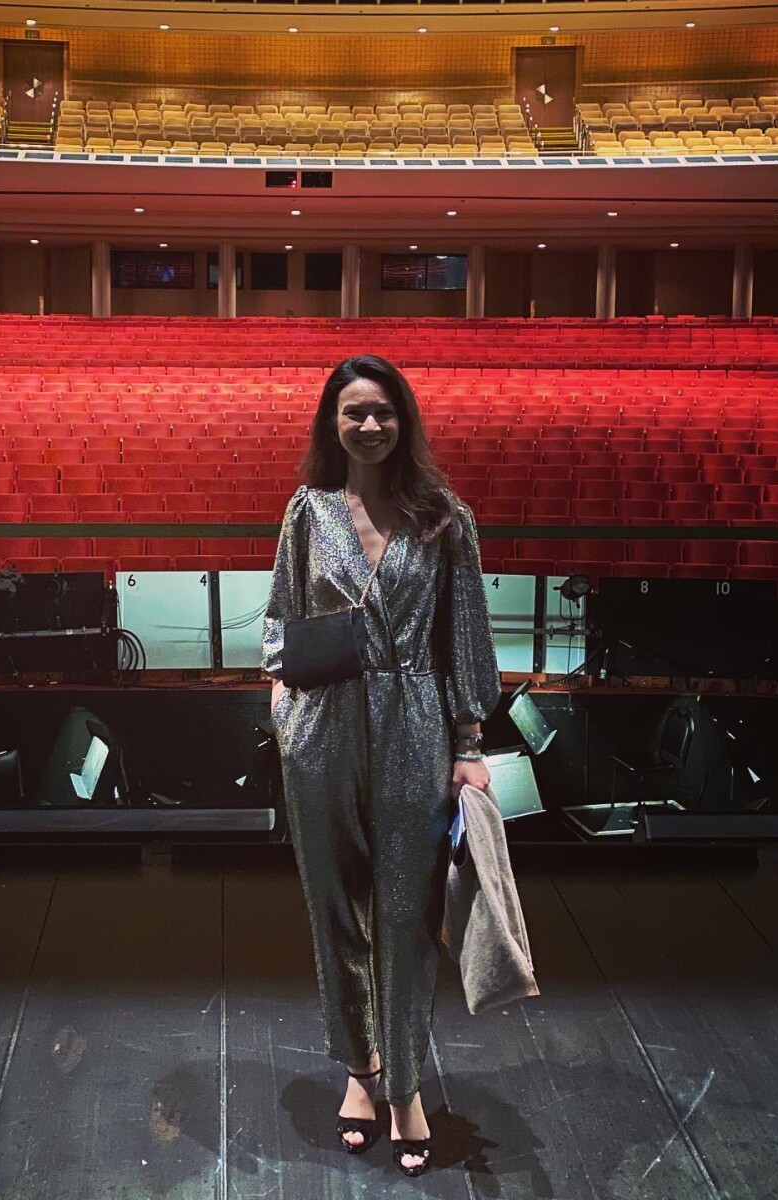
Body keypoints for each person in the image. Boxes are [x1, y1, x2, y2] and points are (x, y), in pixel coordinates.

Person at [261, 354, 501, 1178]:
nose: (368, 425)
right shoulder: (308, 511)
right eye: (352, 412)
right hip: (321, 730)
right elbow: (278, 623)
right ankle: (359, 1074)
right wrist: (285, 713)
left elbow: (466, 634)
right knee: (335, 907)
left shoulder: (444, 517)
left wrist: (468, 746)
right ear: (332, 423)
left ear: (404, 421)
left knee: (405, 912)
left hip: (414, 726)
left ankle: (406, 1087)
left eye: (382, 412)